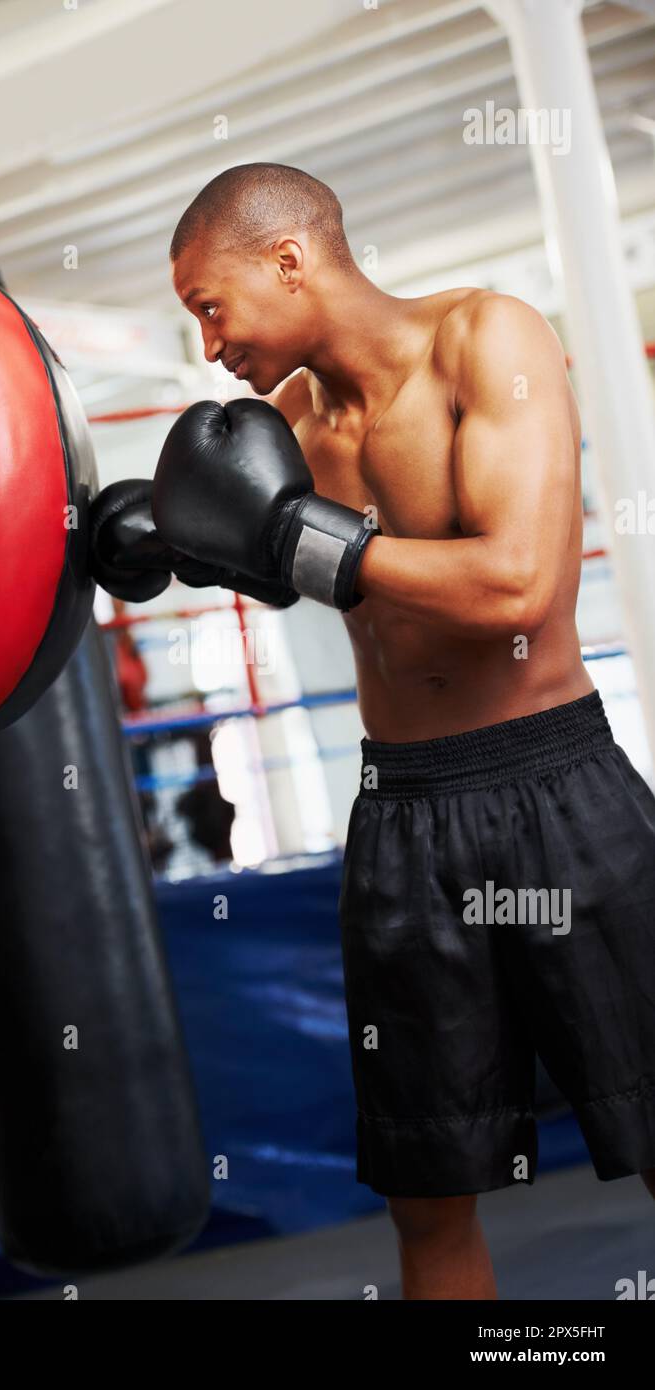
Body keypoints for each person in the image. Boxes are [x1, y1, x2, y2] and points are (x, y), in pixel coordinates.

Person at [89, 163, 655, 1300]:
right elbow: (261, 551)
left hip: (559, 793)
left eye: (212, 306)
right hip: (402, 823)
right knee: (426, 1193)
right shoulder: (289, 429)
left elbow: (516, 588)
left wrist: (303, 537)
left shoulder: (486, 340)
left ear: (288, 261)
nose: (208, 347)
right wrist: (156, 543)